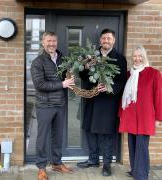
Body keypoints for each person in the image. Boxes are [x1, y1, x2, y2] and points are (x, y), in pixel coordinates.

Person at [77, 29, 127, 176]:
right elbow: (82, 75)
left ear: (114, 40)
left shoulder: (119, 58)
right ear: (100, 40)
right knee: (89, 130)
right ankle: (93, 159)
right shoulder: (91, 56)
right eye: (104, 38)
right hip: (91, 98)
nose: (106, 40)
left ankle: (106, 164)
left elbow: (122, 81)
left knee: (107, 134)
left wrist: (110, 88)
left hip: (108, 102)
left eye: (109, 38)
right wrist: (85, 66)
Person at [31, 31, 74, 180]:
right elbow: (40, 84)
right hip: (44, 105)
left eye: (54, 41)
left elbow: (68, 75)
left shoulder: (62, 59)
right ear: (43, 43)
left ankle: (56, 163)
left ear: (57, 42)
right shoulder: (38, 62)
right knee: (42, 137)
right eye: (48, 41)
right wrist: (62, 84)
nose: (51, 44)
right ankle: (41, 167)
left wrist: (71, 76)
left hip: (60, 104)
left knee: (58, 136)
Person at [119, 45, 162, 180]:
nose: (137, 59)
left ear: (144, 57)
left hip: (145, 117)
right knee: (132, 144)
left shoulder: (153, 73)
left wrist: (159, 118)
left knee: (142, 146)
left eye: (139, 56)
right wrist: (121, 114)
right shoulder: (129, 74)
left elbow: (158, 96)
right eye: (135, 56)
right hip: (130, 115)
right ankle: (135, 170)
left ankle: (142, 174)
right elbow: (124, 96)